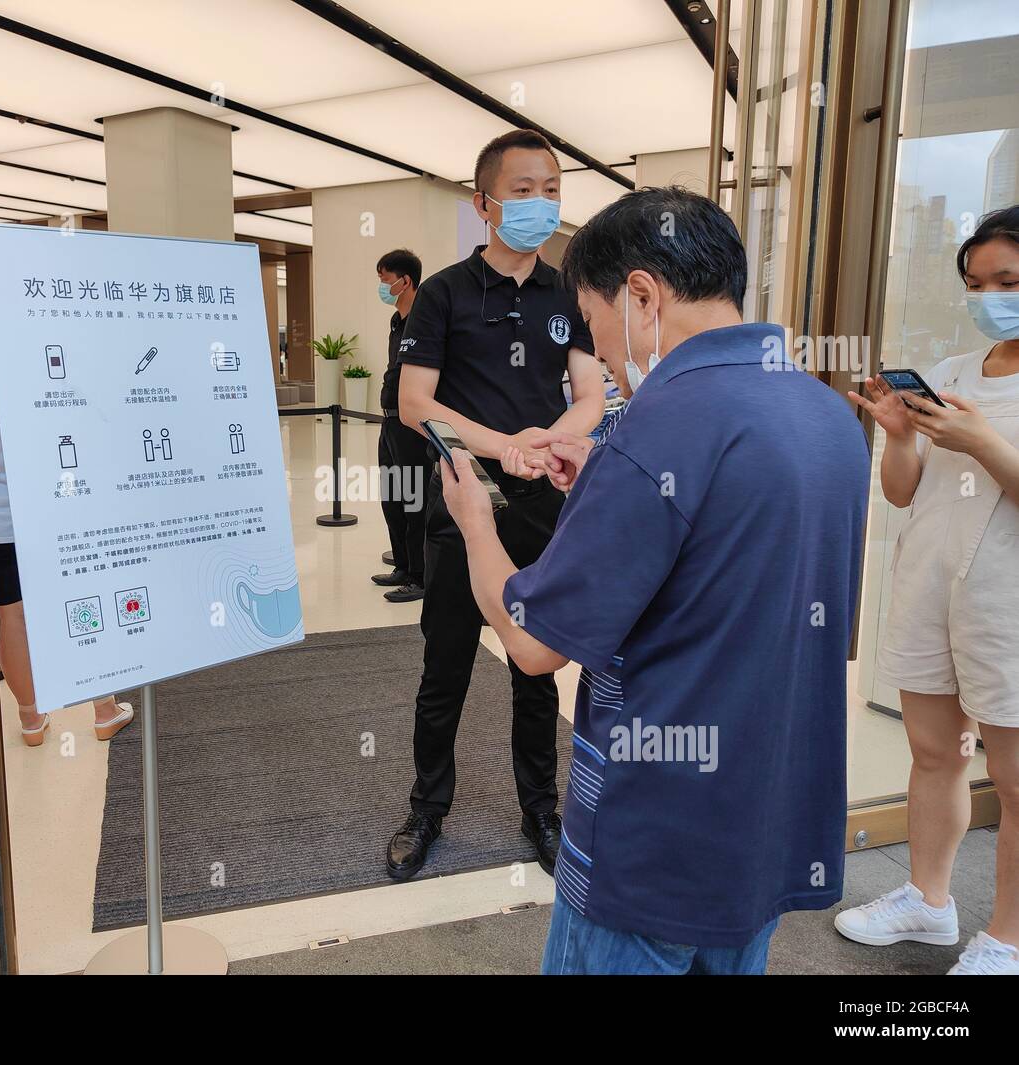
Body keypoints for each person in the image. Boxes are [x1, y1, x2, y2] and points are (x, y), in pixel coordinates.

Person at [438, 186, 870, 974]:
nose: (605, 361)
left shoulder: (660, 424)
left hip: (653, 839)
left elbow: (532, 646)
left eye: (600, 336)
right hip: (763, 823)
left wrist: (476, 521)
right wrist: (609, 477)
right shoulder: (829, 416)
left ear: (642, 293)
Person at [386, 129, 604, 881]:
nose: (540, 204)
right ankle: (427, 808)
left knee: (535, 670)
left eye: (551, 190)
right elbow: (417, 403)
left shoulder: (568, 294)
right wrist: (500, 444)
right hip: (460, 502)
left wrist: (542, 444)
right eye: (522, 191)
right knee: (443, 668)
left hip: (544, 508)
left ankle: (541, 810)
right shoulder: (444, 293)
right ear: (483, 204)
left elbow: (593, 396)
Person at [836, 205, 1019, 975]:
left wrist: (983, 441)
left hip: (1007, 601)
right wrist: (901, 433)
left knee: (1013, 778)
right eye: (977, 282)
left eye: (1008, 280)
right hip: (929, 586)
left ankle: (1007, 937)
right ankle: (929, 900)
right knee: (933, 751)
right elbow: (905, 493)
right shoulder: (949, 373)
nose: (989, 296)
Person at [0, 354, 133, 745]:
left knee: (12, 618)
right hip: (59, 514)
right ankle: (103, 710)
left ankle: (31, 722)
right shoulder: (50, 365)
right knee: (85, 606)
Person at [371, 248, 429, 603]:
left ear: (404, 281)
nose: (380, 286)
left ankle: (421, 576)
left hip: (412, 426)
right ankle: (404, 565)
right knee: (393, 496)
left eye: (384, 279)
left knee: (415, 501)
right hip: (389, 423)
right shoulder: (396, 323)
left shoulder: (424, 320)